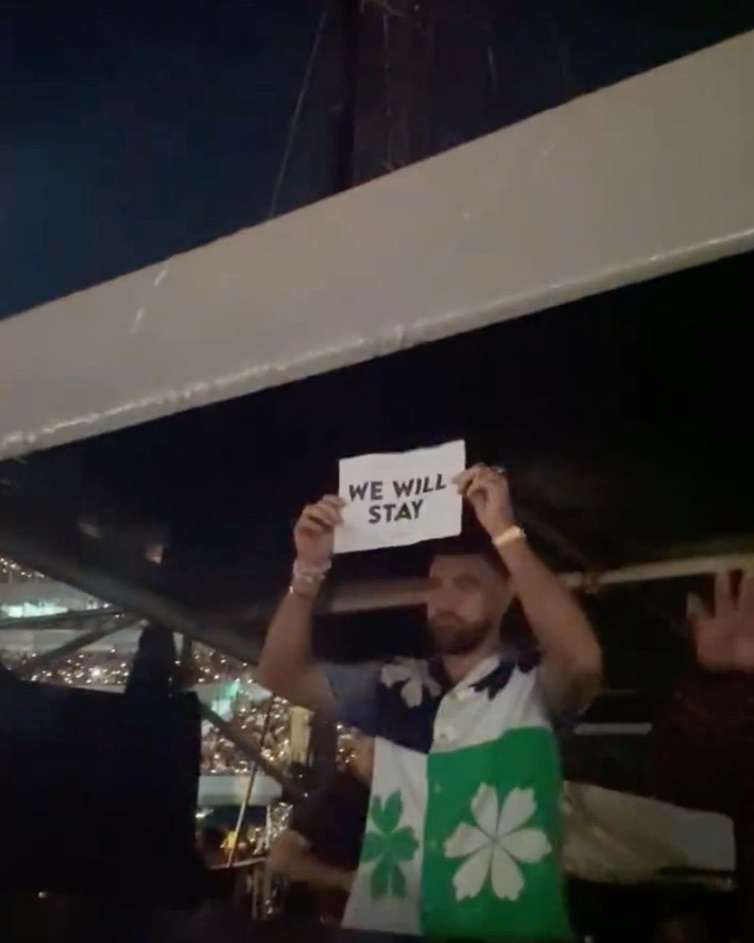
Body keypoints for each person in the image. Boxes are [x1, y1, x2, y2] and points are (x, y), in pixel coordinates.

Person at [259, 463, 602, 939]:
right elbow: (279, 674)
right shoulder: (395, 683)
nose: (443, 599)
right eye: (435, 585)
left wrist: (505, 533)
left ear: (508, 597)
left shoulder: (527, 686)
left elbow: (582, 660)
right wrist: (307, 571)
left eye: (467, 585)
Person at [268, 736, 374, 926]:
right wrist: (343, 879)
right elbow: (281, 856)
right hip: (337, 923)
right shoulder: (337, 794)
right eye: (374, 750)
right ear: (358, 747)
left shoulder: (379, 792)